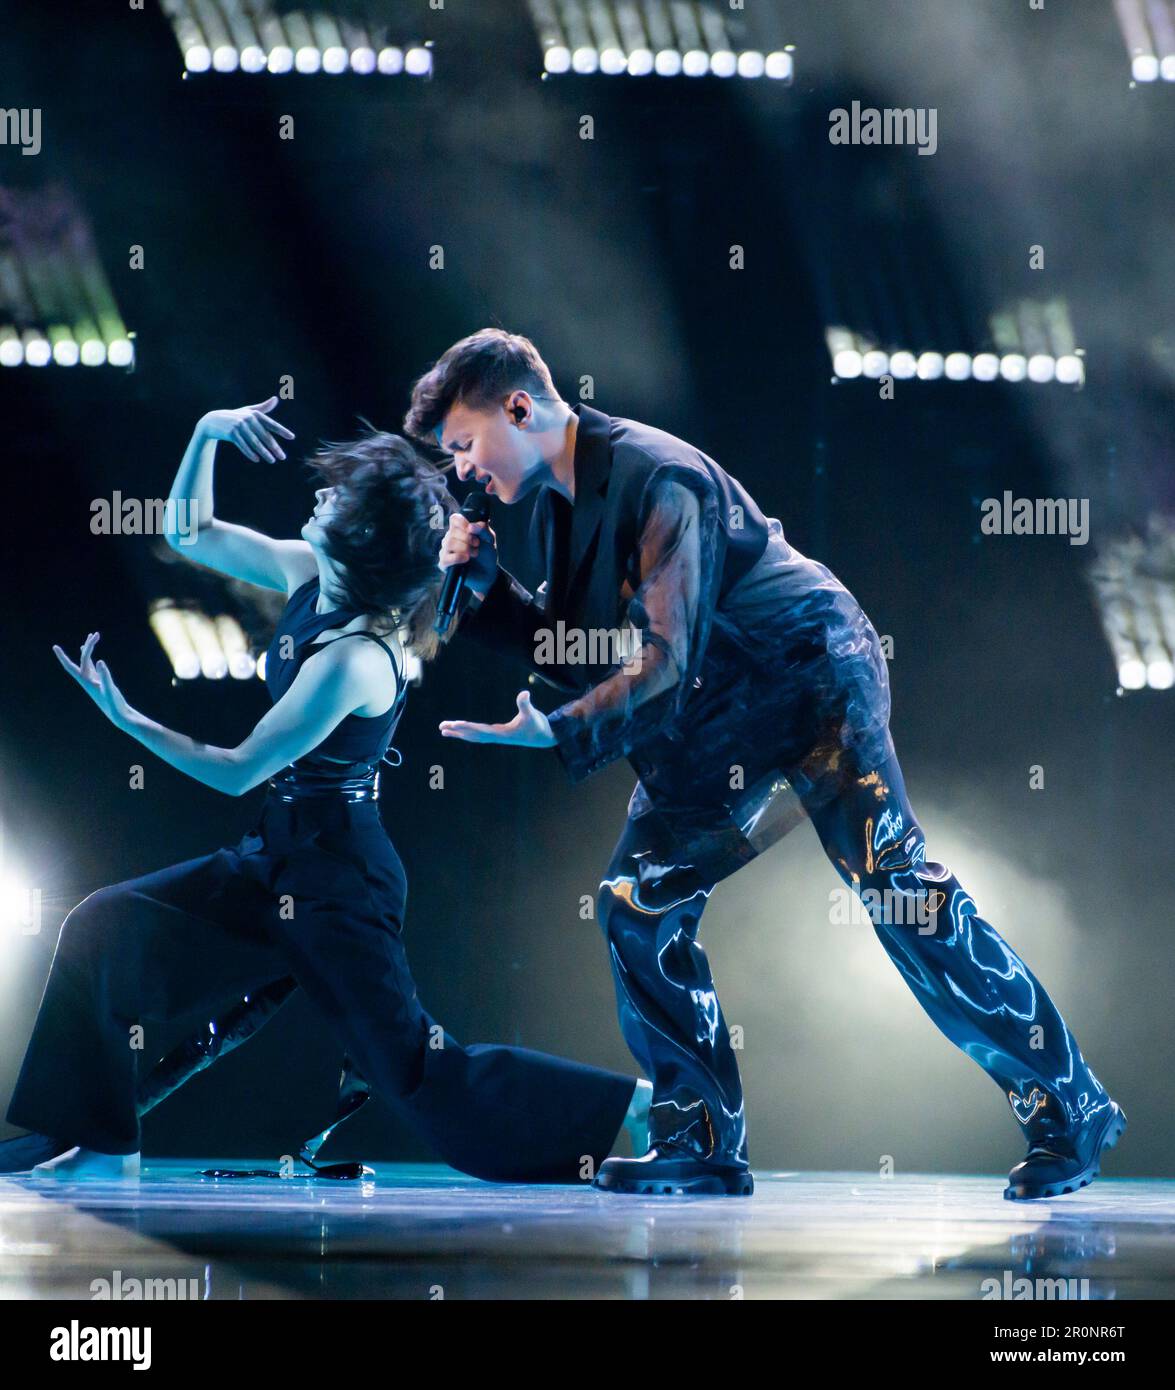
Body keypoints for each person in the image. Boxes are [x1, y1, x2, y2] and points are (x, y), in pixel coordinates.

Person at [405, 328, 1126, 1200]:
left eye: (464, 445)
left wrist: (560, 733)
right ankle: (701, 1138)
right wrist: (486, 590)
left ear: (518, 407)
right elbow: (587, 652)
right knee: (637, 904)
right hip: (721, 713)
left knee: (894, 885)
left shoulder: (657, 476)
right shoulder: (561, 501)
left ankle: (1071, 1105)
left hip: (811, 680)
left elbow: (662, 659)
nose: (464, 473)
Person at [0, 397, 648, 1182]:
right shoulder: (310, 573)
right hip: (275, 857)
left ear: (362, 536)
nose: (318, 497)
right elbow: (186, 534)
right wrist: (206, 432)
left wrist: (127, 718)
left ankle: (633, 1106)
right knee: (103, 927)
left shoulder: (358, 658)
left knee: (415, 1070)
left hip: (338, 881)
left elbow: (238, 767)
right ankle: (107, 1144)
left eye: (336, 497)